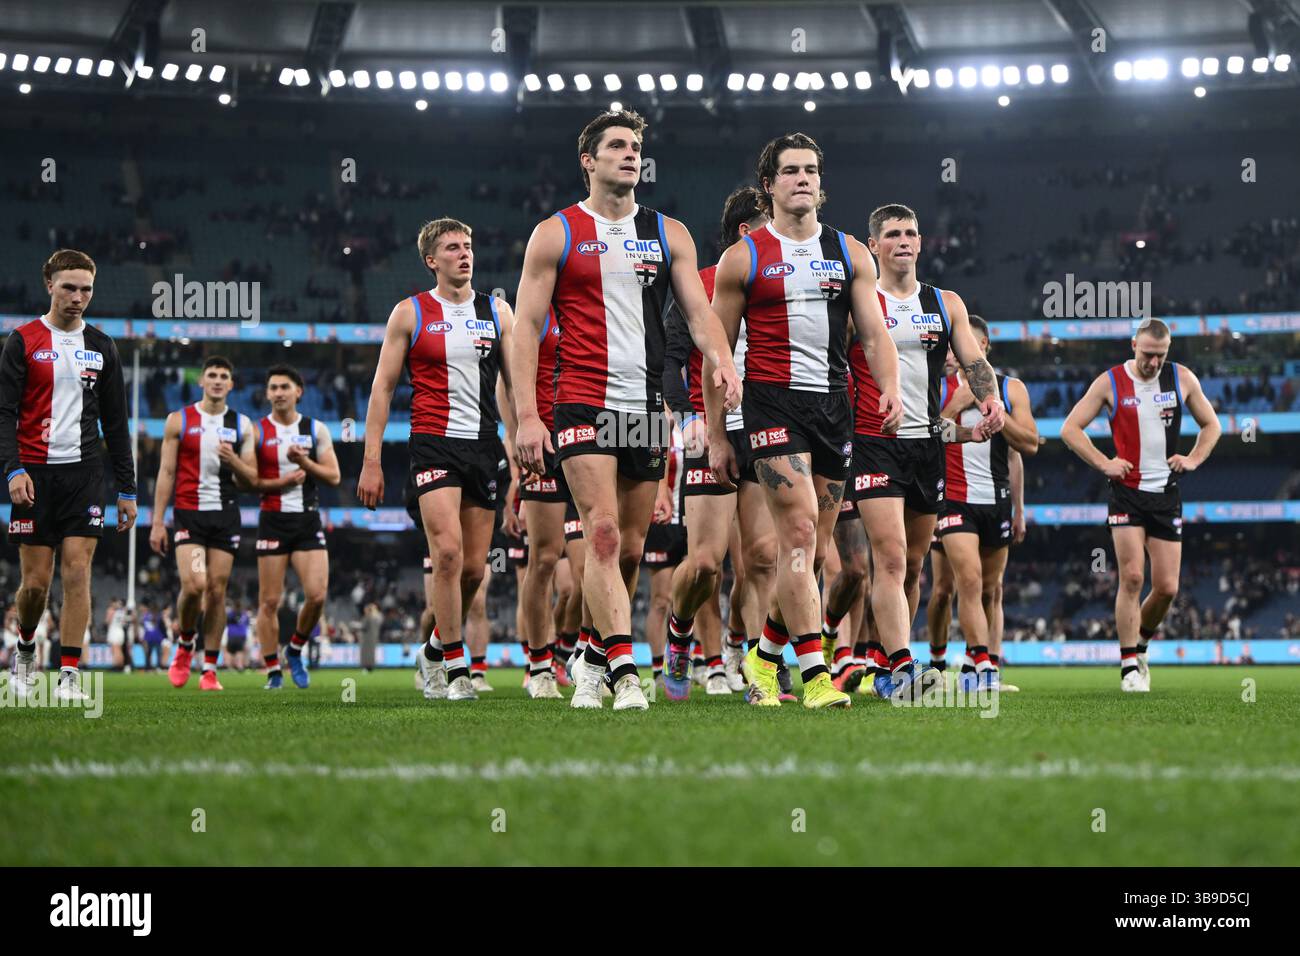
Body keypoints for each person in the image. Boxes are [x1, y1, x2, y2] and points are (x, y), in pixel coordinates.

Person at [511, 109, 741, 711]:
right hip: (581, 398)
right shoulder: (555, 233)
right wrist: (528, 417)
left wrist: (722, 357)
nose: (629, 153)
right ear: (588, 161)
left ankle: (589, 654)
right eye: (616, 145)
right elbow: (527, 328)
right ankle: (622, 668)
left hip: (643, 407)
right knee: (603, 533)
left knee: (633, 549)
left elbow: (698, 314)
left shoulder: (670, 233)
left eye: (635, 145)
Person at [705, 133, 903, 708]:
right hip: (770, 405)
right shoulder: (743, 257)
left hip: (833, 409)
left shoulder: (851, 254)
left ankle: (762, 660)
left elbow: (872, 333)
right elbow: (719, 347)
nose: (803, 179)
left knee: (813, 552)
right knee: (795, 533)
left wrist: (889, 387)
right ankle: (815, 673)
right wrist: (719, 434)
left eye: (811, 170)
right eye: (790, 171)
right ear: (768, 186)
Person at [847, 203, 1005, 700]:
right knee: (889, 559)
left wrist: (990, 400)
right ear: (873, 245)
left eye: (911, 232)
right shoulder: (860, 301)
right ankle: (900, 668)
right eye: (892, 233)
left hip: (928, 444)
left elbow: (974, 361)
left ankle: (877, 656)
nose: (903, 241)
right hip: (874, 441)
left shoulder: (945, 303)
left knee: (913, 566)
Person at [358, 217, 514, 703]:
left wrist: (521, 437)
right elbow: (382, 388)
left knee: (473, 571)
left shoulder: (498, 312)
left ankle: (431, 649)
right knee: (446, 555)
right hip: (432, 445)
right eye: (452, 247)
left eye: (468, 245)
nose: (464, 253)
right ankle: (454, 666)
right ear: (432, 261)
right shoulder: (409, 313)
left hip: (484, 447)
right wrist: (371, 460)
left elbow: (511, 386)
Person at [1, 249, 137, 701]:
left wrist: (127, 488)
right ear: (49, 286)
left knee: (78, 572)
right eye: (69, 288)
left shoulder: (102, 346)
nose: (78, 297)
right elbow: (4, 414)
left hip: (84, 474)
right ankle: (24, 648)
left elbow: (116, 424)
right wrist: (13, 469)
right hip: (34, 475)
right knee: (36, 584)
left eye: (86, 289)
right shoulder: (21, 341)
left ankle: (70, 674)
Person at [1060, 317, 1220, 691]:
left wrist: (1193, 459)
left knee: (1167, 588)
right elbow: (1070, 428)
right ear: (1134, 345)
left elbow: (1212, 425)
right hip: (1126, 493)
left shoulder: (1182, 379)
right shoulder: (1110, 381)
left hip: (1165, 494)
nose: (1153, 363)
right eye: (1148, 354)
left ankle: (1141, 643)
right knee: (1132, 576)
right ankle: (1129, 666)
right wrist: (1104, 463)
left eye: (1160, 356)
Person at [660, 186, 772, 700]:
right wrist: (690, 419)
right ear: (748, 231)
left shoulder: (784, 283)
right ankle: (680, 634)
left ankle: (748, 658)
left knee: (763, 559)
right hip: (714, 429)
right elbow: (668, 362)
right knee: (706, 562)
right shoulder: (699, 287)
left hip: (771, 427)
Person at [934, 315, 1039, 693]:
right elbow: (927, 435)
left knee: (992, 589)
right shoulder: (941, 387)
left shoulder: (1012, 390)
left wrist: (997, 414)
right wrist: (955, 406)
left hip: (996, 501)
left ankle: (981, 667)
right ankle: (977, 665)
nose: (961, 354)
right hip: (954, 500)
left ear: (985, 348)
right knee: (968, 581)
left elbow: (1028, 444)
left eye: (969, 346)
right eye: (955, 347)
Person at [231, 364, 341, 690]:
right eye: (273, 387)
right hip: (273, 519)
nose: (278, 393)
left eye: (284, 387)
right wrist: (284, 480)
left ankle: (294, 649)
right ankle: (272, 671)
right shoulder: (256, 430)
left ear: (299, 391)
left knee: (317, 596)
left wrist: (304, 463)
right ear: (266, 393)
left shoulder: (315, 429)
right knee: (269, 603)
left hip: (307, 519)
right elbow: (248, 483)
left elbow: (333, 476)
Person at [150, 355, 254, 693]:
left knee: (217, 591)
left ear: (231, 384)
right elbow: (166, 473)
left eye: (224, 375)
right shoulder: (178, 420)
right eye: (212, 374)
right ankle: (184, 643)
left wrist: (234, 459)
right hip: (189, 514)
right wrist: (157, 522)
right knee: (194, 585)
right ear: (202, 381)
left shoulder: (243, 425)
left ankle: (209, 669)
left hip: (225, 516)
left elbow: (251, 478)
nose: (218, 380)